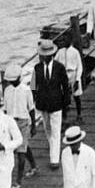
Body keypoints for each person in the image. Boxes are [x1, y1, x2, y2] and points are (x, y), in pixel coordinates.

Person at [33, 37, 71, 169]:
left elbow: (65, 86)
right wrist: (35, 99)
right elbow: (33, 86)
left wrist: (66, 103)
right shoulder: (36, 68)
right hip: (43, 104)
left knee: (55, 131)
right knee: (47, 129)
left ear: (52, 55)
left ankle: (54, 159)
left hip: (56, 104)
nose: (46, 58)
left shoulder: (59, 68)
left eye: (48, 55)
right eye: (44, 55)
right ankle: (53, 149)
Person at [2, 64, 38, 188]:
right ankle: (33, 166)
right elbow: (6, 110)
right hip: (11, 123)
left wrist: (33, 125)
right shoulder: (7, 91)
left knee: (20, 153)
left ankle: (18, 182)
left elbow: (31, 109)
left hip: (23, 122)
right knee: (22, 146)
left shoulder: (26, 90)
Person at [56, 34, 84, 122]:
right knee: (63, 97)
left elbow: (80, 67)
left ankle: (79, 115)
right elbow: (55, 64)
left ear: (70, 41)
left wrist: (77, 79)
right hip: (63, 76)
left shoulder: (75, 52)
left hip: (73, 74)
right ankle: (64, 118)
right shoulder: (60, 52)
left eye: (65, 40)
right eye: (62, 40)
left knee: (76, 96)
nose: (63, 42)